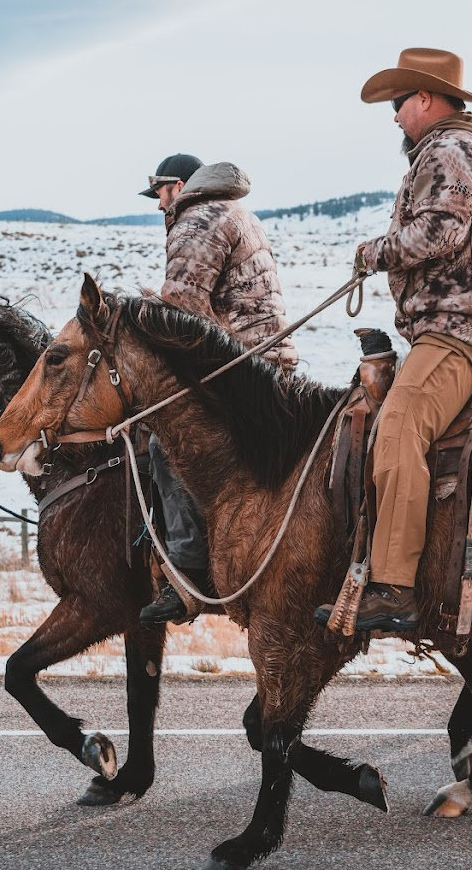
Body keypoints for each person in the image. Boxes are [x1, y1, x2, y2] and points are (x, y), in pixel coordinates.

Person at [315, 48, 472, 635]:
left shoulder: (448, 149)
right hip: (468, 328)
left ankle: (394, 587)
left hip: (458, 333)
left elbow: (439, 232)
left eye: (400, 102)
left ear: (426, 98)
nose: (395, 115)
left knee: (398, 429)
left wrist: (373, 253)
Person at [137, 153, 299, 624]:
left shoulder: (197, 218)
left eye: (161, 193)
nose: (159, 204)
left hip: (241, 364)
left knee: (169, 445)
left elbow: (182, 309)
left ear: (180, 185)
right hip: (266, 360)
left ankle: (189, 573)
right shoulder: (235, 213)